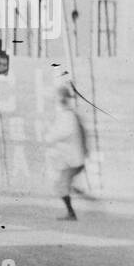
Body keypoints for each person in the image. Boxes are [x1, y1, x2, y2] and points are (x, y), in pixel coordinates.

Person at [46, 82, 90, 220]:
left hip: (72, 159)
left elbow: (64, 132)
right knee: (61, 184)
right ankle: (74, 189)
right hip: (71, 158)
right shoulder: (69, 114)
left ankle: (71, 213)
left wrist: (49, 137)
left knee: (60, 186)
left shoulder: (67, 115)